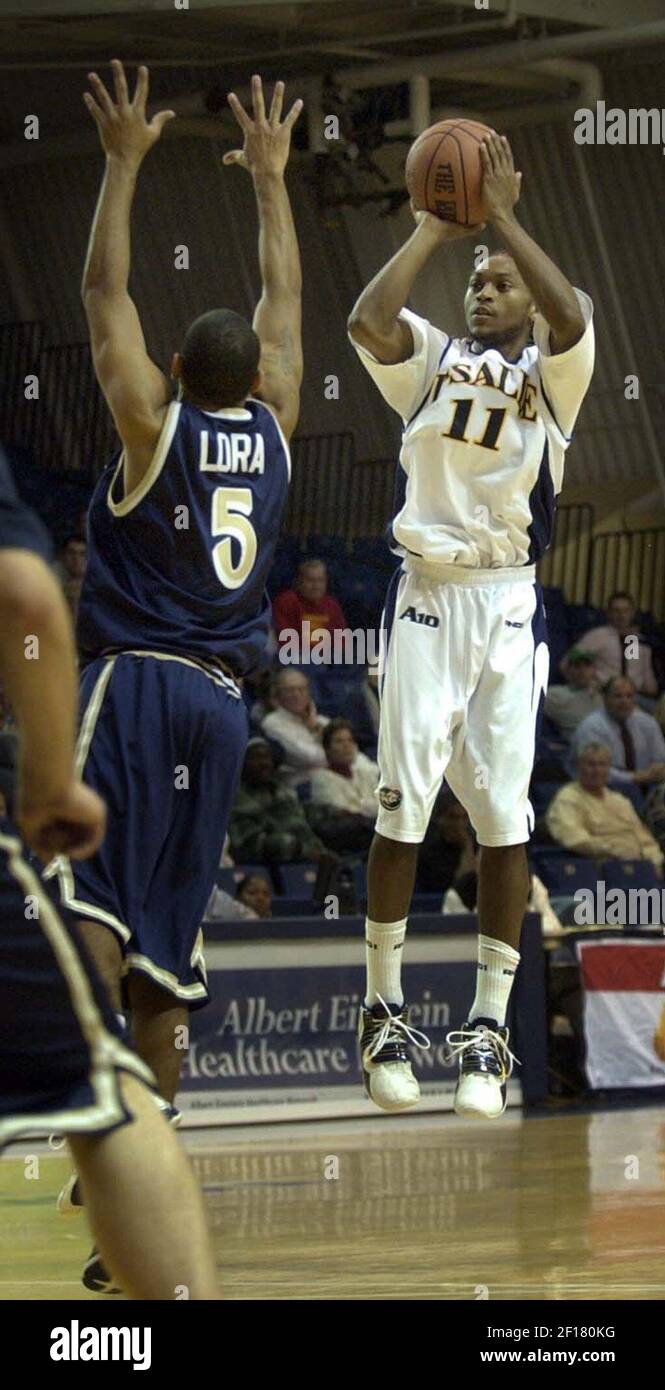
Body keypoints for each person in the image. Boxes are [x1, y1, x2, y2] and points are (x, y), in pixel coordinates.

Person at [43, 63, 302, 1289]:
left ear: (178, 372)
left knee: (88, 917)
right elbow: (286, 302)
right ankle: (127, 1217)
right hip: (224, 706)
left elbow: (103, 295)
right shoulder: (282, 423)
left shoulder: (152, 424)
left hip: (141, 683)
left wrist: (123, 160)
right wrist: (271, 183)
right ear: (252, 378)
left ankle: (88, 1130)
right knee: (168, 969)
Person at [348, 130, 594, 1118]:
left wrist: (498, 218)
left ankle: (487, 1032)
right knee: (402, 806)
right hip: (425, 595)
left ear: (525, 301)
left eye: (498, 283)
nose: (481, 291)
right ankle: (381, 1010)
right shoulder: (431, 361)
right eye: (476, 282)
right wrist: (430, 227)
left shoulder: (551, 375)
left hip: (504, 606)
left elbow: (571, 312)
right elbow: (367, 318)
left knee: (502, 819)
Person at [0, 445, 220, 1299]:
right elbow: (27, 598)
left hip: (146, 699)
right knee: (106, 1092)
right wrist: (51, 782)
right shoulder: (264, 433)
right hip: (209, 704)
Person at [546, 743, 662, 872]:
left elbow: (646, 841)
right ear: (579, 767)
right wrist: (614, 850)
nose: (597, 770)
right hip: (599, 868)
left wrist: (656, 863)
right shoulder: (567, 798)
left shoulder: (620, 801)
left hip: (640, 867)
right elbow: (574, 838)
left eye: (602, 765)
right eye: (591, 764)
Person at [229, 738, 325, 865]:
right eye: (257, 757)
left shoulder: (282, 790)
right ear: (242, 762)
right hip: (272, 863)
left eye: (267, 757)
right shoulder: (236, 798)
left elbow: (303, 818)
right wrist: (304, 850)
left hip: (309, 857)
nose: (265, 763)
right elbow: (252, 842)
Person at [572, 676, 665, 794]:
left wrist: (657, 771)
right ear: (604, 698)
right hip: (605, 787)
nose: (624, 701)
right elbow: (595, 771)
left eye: (629, 696)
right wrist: (635, 777)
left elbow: (661, 759)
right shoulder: (591, 727)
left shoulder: (647, 722)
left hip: (648, 784)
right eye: (618, 696)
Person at [566, 592, 658, 696]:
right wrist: (586, 683)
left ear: (633, 613)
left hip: (635, 697)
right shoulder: (596, 636)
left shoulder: (640, 641)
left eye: (626, 611)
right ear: (608, 613)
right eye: (616, 611)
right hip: (603, 695)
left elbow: (648, 680)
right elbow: (567, 663)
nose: (621, 615)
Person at [261, 667, 329, 785]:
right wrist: (335, 756)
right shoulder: (272, 722)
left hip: (332, 781)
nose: (296, 695)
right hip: (302, 787)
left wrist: (315, 728)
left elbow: (351, 754)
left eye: (301, 689)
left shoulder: (321, 721)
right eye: (289, 690)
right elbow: (309, 758)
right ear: (277, 694)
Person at [272, 557, 348, 657]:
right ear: (299, 582)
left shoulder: (332, 605)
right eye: (310, 580)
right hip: (296, 660)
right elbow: (286, 642)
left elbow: (342, 642)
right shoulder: (287, 601)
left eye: (320, 580)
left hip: (329, 661)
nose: (316, 586)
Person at [415, 791, 478, 896]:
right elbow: (457, 890)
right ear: (440, 818)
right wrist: (466, 846)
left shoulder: (476, 844)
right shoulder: (428, 851)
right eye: (453, 817)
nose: (459, 824)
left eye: (464, 817)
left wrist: (468, 846)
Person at [544, 647, 602, 742]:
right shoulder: (555, 694)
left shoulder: (602, 695)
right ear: (568, 670)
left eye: (587, 666)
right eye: (577, 666)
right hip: (576, 749)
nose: (582, 671)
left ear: (594, 670)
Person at [204, 870, 273, 922]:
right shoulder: (229, 909)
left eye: (266, 894)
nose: (260, 898)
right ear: (238, 897)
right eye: (252, 893)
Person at [57, 535, 87, 626]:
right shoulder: (53, 592)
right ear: (62, 557)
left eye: (82, 554)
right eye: (71, 552)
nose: (76, 558)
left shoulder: (99, 593)